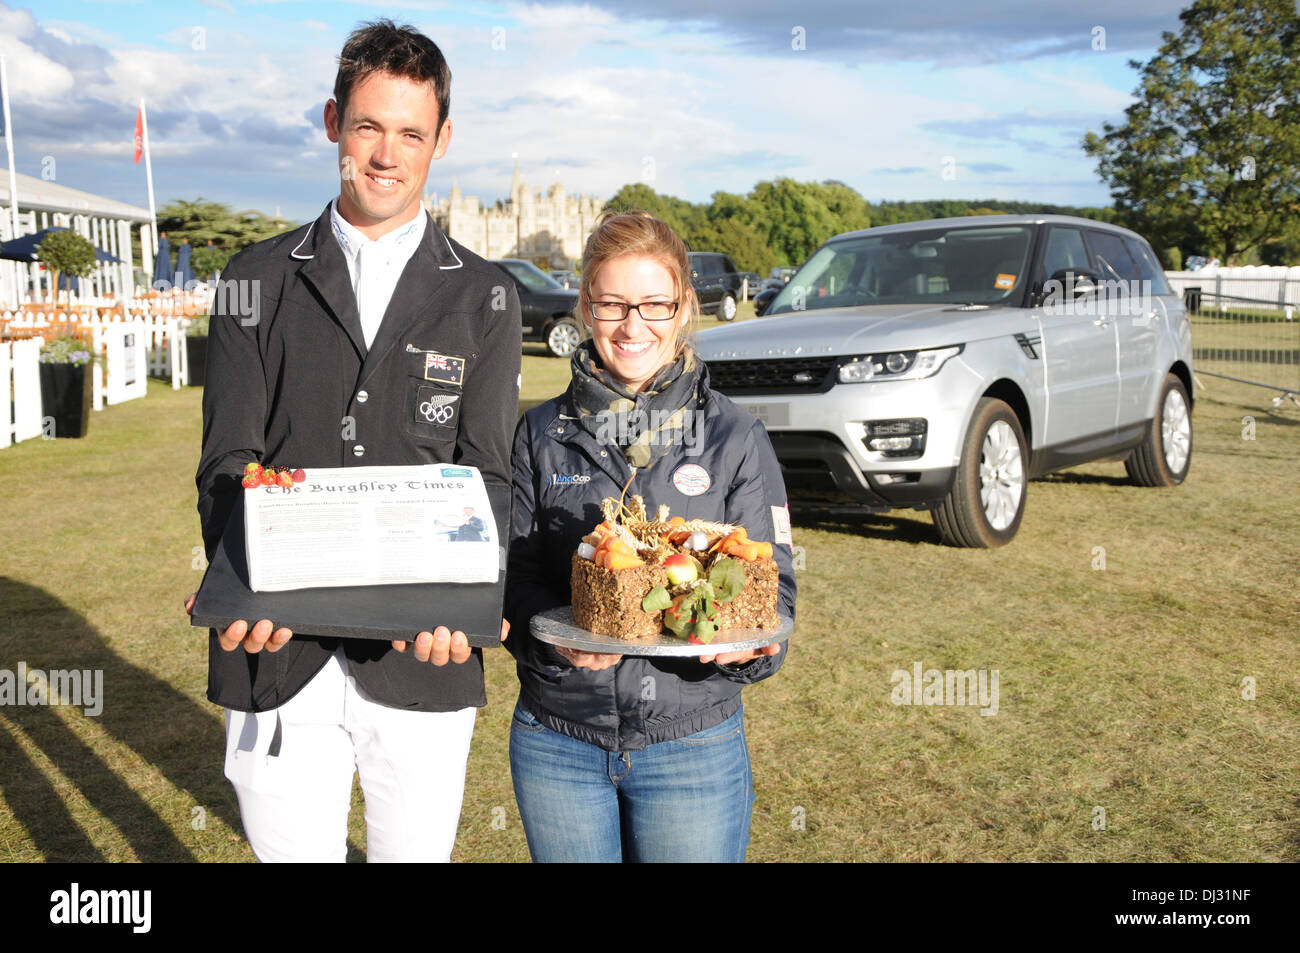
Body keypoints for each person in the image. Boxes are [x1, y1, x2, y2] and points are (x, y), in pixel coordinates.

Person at [186, 19, 521, 863]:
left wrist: (461, 608)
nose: (386, 153)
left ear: (442, 141)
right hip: (278, 654)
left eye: (411, 132)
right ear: (333, 122)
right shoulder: (253, 280)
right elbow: (228, 460)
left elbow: (487, 479)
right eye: (368, 125)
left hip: (421, 657)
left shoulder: (486, 295)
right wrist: (244, 590)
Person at [503, 210, 795, 862]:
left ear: (685, 306)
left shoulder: (735, 437)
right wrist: (554, 648)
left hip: (692, 739)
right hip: (558, 739)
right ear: (585, 306)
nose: (633, 326)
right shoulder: (539, 433)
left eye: (655, 304)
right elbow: (515, 576)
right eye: (611, 304)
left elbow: (777, 588)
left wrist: (744, 649)